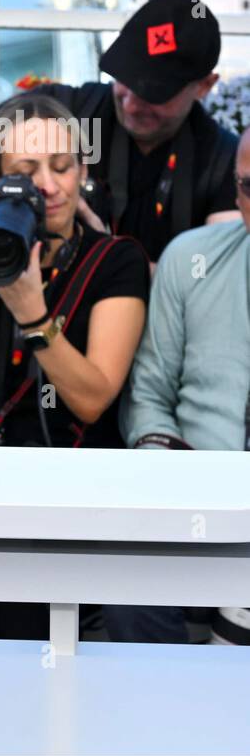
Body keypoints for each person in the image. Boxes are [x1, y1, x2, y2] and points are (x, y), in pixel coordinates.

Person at [0, 93, 150, 641]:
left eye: (63, 167)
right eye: (24, 172)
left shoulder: (116, 260)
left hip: (78, 506)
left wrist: (31, 313)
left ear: (82, 169)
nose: (48, 186)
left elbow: (92, 397)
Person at [0, 0, 241, 266]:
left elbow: (210, 288)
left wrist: (101, 257)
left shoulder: (222, 161)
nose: (130, 104)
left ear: (204, 86)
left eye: (154, 93)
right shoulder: (62, 110)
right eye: (125, 81)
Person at [120, 126, 250, 644]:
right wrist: (168, 477)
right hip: (198, 490)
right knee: (126, 589)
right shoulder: (189, 259)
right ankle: (162, 719)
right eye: (249, 186)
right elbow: (149, 396)